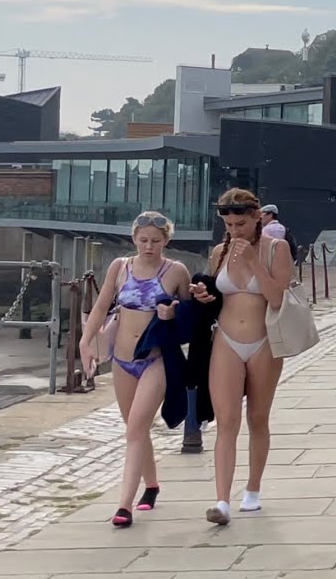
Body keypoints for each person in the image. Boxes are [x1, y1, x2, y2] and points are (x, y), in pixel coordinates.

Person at [79, 211, 191, 528]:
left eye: (156, 241)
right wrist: (85, 341)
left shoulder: (176, 271)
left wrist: (173, 312)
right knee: (135, 427)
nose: (149, 246)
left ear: (166, 241)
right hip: (121, 359)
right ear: (134, 240)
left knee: (134, 430)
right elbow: (102, 306)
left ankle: (124, 505)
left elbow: (191, 317)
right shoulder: (120, 267)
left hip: (155, 359)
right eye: (143, 240)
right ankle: (152, 485)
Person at [189, 189, 293, 526]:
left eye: (242, 223)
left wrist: (251, 261)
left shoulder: (277, 248)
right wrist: (204, 295)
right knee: (226, 421)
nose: (236, 230)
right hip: (226, 339)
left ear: (257, 216)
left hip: (264, 339)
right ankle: (221, 500)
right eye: (230, 224)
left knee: (258, 418)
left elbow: (277, 297)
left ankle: (253, 489)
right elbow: (218, 296)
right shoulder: (219, 251)